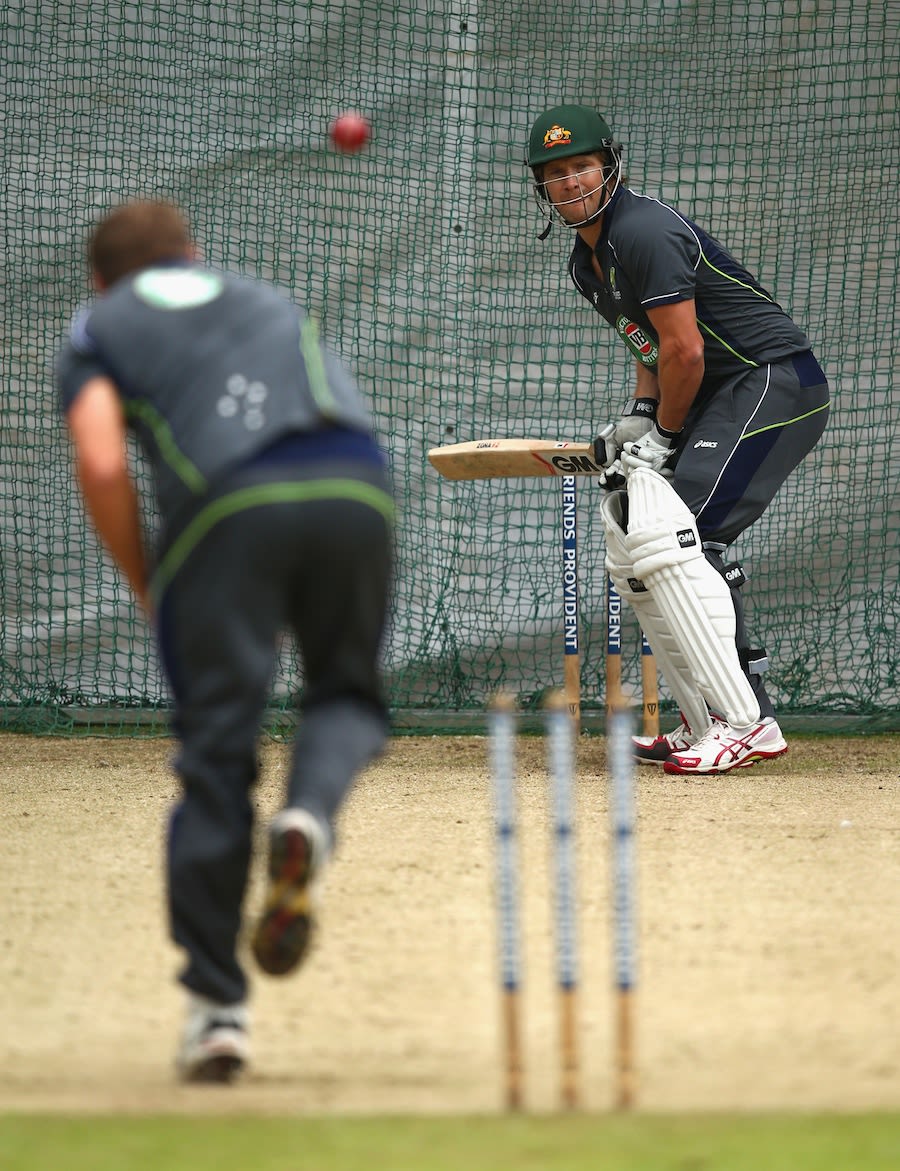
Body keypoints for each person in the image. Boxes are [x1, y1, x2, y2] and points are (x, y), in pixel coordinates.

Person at [56, 199, 394, 1082]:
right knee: (346, 695)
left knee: (218, 757)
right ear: (195, 256)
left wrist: (148, 584)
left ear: (101, 279)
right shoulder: (265, 296)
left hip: (228, 505)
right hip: (355, 483)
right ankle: (309, 817)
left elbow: (99, 457)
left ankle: (217, 1011)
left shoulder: (97, 326)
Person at [526, 105, 830, 774]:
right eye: (555, 174)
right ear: (541, 188)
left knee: (683, 530)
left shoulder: (643, 231)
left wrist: (662, 435)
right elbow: (650, 347)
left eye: (582, 166)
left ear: (610, 167)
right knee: (645, 535)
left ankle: (748, 720)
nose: (571, 182)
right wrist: (640, 413)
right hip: (720, 395)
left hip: (771, 380)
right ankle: (702, 721)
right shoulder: (587, 263)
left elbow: (686, 352)